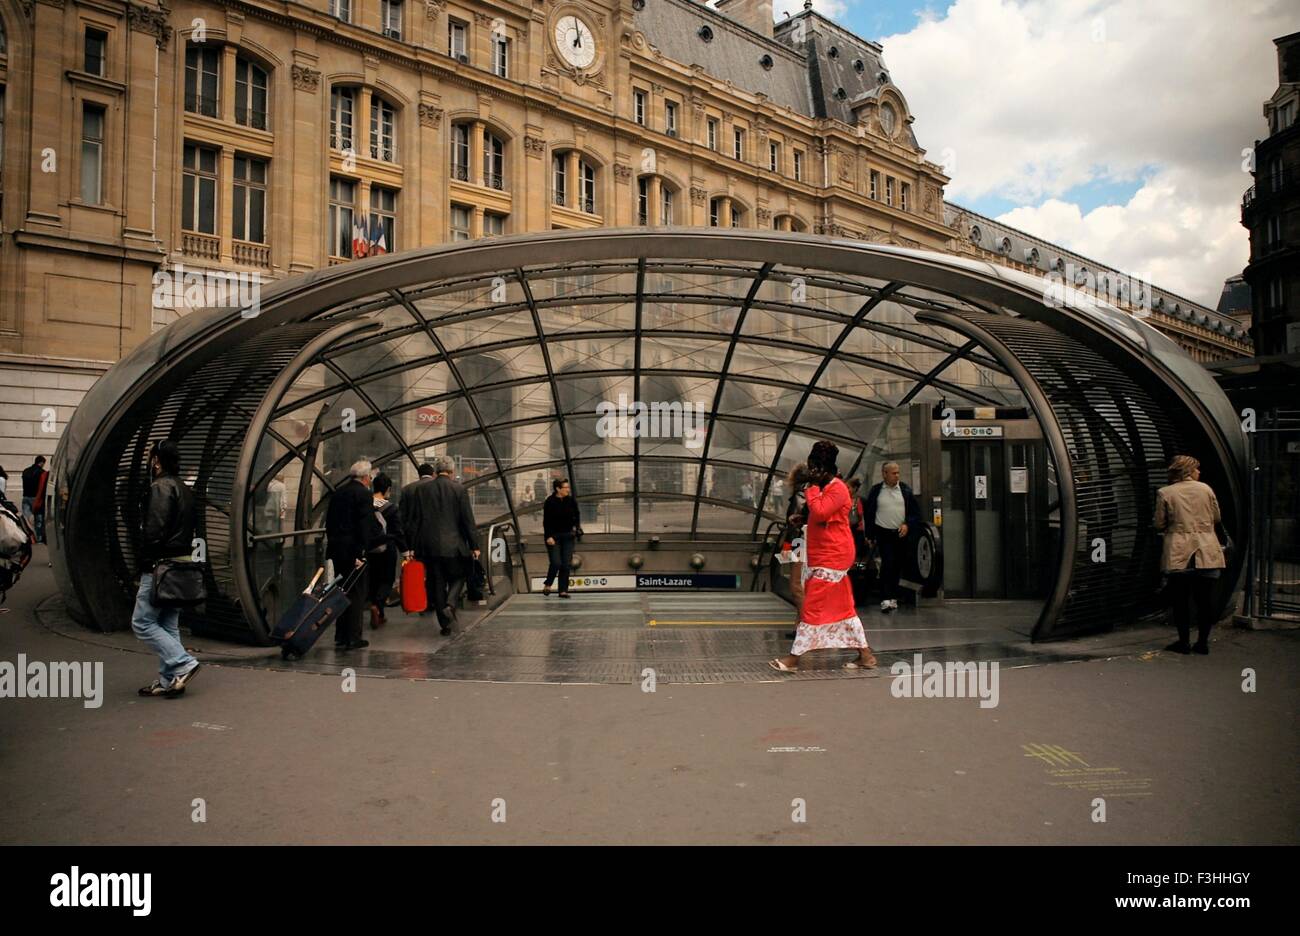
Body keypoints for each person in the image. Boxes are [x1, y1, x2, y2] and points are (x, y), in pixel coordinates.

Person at [770, 441, 876, 672]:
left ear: (825, 469)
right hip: (824, 554)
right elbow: (820, 516)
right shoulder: (826, 488)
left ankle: (793, 658)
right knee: (845, 608)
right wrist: (803, 519)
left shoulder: (836, 488)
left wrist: (810, 489)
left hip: (833, 555)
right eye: (810, 466)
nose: (812, 471)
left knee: (811, 606)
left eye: (815, 467)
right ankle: (866, 656)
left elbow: (820, 510)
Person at [133, 440, 202, 698]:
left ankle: (184, 663)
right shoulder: (184, 488)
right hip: (181, 563)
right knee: (168, 622)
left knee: (141, 622)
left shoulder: (161, 486)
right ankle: (168, 679)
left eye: (151, 457)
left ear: (157, 460)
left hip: (160, 565)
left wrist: (144, 561)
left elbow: (154, 530)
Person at [1155, 455, 1226, 655]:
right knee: (1204, 600)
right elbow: (1217, 517)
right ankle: (1202, 643)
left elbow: (1159, 523)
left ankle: (1183, 642)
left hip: (1179, 552)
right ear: (1188, 471)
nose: (1199, 472)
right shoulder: (1206, 489)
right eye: (1196, 469)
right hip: (1206, 550)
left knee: (1181, 601)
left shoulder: (1165, 493)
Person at [402, 456, 480, 635]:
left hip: (428, 546)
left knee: (436, 583)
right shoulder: (459, 489)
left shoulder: (422, 490)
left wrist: (411, 546)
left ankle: (445, 625)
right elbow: (467, 520)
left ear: (436, 472)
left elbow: (415, 520)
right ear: (452, 472)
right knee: (460, 575)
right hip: (454, 545)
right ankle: (451, 603)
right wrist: (474, 545)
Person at [325, 460, 377, 651]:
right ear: (365, 477)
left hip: (337, 550)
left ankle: (340, 634)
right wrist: (361, 552)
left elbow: (330, 522)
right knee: (356, 593)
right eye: (370, 476)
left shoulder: (338, 492)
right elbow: (364, 527)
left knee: (341, 591)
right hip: (353, 551)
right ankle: (353, 637)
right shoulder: (364, 494)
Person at [862, 461, 922, 613]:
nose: (897, 476)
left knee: (897, 565)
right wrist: (869, 534)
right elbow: (869, 514)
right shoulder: (876, 491)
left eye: (898, 473)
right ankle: (885, 598)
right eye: (893, 473)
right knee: (887, 563)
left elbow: (915, 513)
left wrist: (907, 524)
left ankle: (893, 597)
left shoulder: (905, 491)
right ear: (884, 474)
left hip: (900, 533)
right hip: (883, 532)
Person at [365, 473, 407, 630]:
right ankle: (377, 606)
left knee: (374, 580)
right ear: (388, 489)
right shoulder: (390, 508)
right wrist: (405, 550)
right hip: (387, 549)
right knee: (387, 580)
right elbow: (397, 531)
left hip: (369, 549)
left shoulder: (366, 504)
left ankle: (379, 613)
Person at [399, 463, 437, 614]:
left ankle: (419, 601)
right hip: (433, 536)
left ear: (419, 474)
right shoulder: (435, 487)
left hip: (413, 537)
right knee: (433, 571)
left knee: (418, 570)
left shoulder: (407, 489)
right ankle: (432, 601)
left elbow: (402, 516)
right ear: (432, 473)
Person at [542, 477, 583, 598]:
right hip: (553, 537)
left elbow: (577, 515)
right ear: (557, 489)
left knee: (566, 564)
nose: (568, 490)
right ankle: (548, 584)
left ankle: (563, 590)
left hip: (568, 536)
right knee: (556, 563)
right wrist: (548, 536)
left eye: (568, 487)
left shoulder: (571, 501)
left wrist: (577, 527)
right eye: (566, 488)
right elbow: (546, 521)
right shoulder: (550, 501)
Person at [22, 456, 49, 545]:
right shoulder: (42, 473)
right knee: (39, 519)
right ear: (41, 463)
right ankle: (39, 538)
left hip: (26, 496)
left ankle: (29, 537)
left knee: (26, 518)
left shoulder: (25, 471)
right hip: (36, 498)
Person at [846, 477, 869, 561]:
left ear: (855, 488)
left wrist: (868, 535)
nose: (846, 490)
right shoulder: (843, 500)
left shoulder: (862, 501)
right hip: (847, 530)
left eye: (848, 487)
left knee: (858, 553)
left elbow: (866, 517)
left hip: (859, 531)